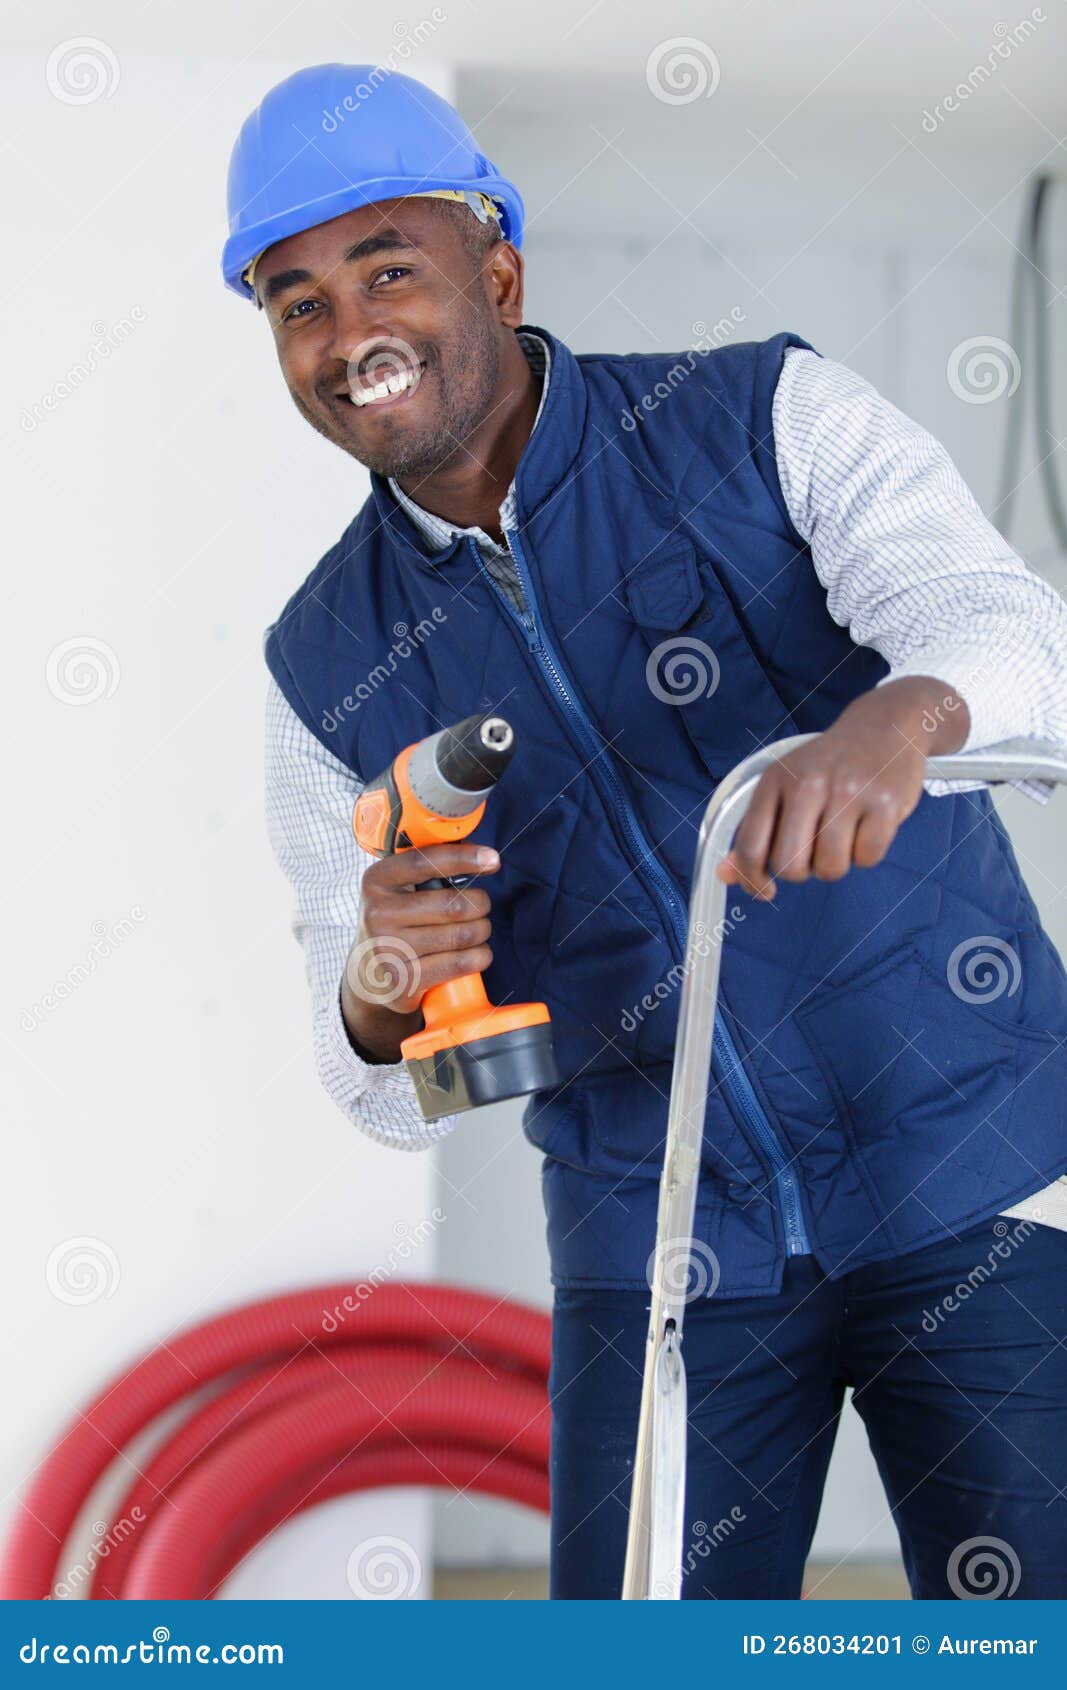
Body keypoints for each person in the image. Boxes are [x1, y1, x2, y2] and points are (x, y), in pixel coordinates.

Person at [223, 64, 1067, 1598]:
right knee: (636, 1646)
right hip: (660, 1240)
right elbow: (382, 1094)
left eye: (387, 268)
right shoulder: (318, 664)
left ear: (500, 268)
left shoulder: (758, 413)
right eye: (296, 303)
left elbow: (1013, 633)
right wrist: (379, 988)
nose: (349, 337)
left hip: (979, 1158)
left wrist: (900, 721)